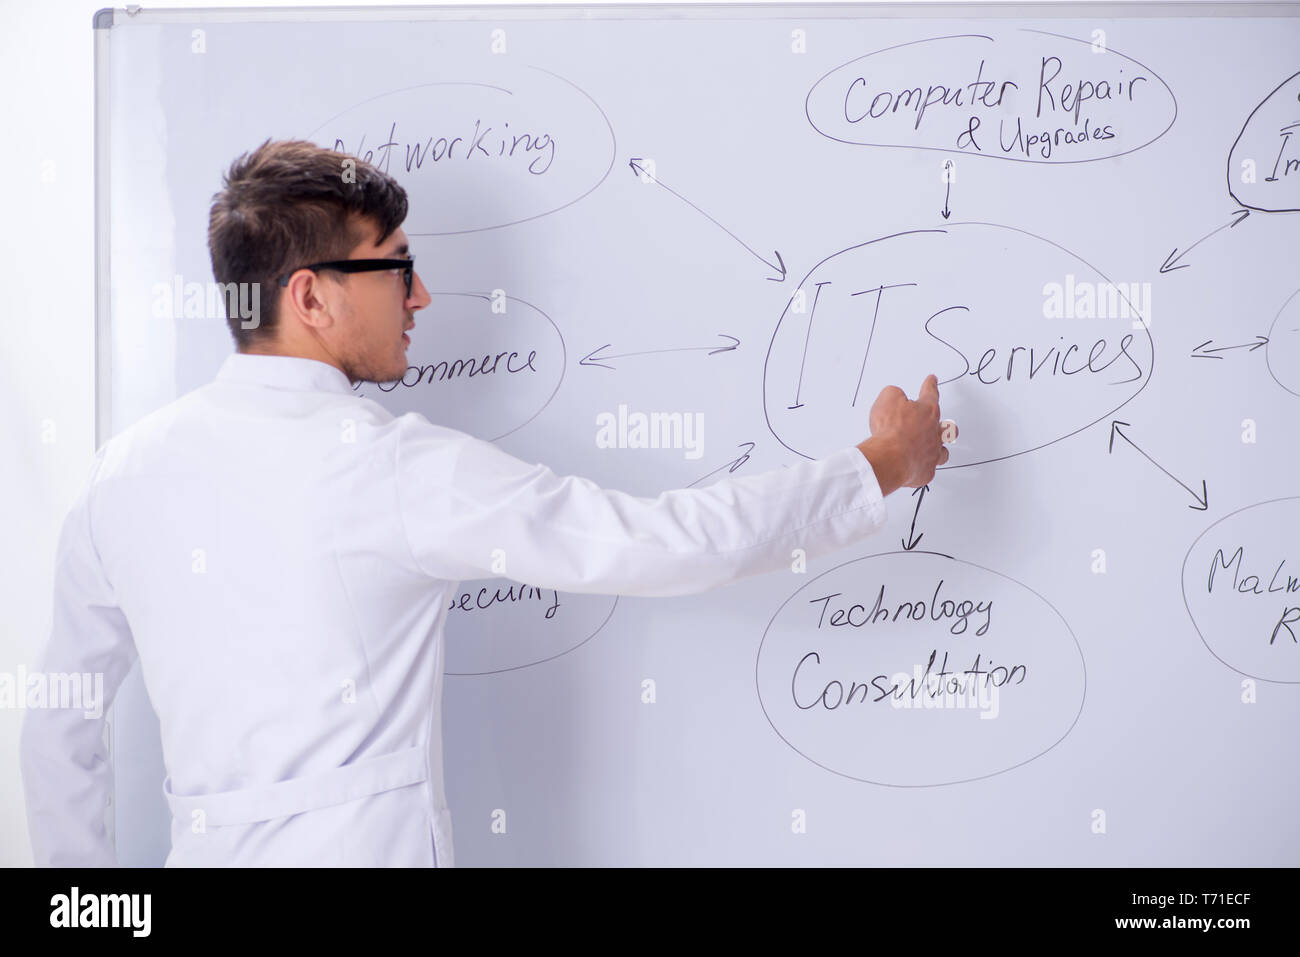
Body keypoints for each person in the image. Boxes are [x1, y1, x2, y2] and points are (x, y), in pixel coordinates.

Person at [20, 139, 954, 867]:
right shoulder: (390, 470)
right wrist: (875, 464)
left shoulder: (121, 475)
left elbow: (58, 718)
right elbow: (662, 544)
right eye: (394, 266)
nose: (421, 294)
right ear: (309, 296)